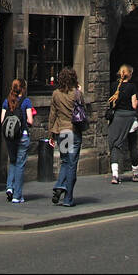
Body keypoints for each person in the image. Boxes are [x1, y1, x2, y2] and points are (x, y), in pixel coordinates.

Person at [49, 67, 84, 207]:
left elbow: (52, 115)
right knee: (72, 165)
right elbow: (83, 111)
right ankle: (68, 198)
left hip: (62, 132)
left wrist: (51, 134)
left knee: (65, 161)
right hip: (73, 131)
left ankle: (59, 185)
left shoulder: (56, 94)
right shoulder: (77, 94)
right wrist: (79, 92)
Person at [106, 64, 138, 183]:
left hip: (117, 118)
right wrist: (136, 102)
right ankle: (135, 173)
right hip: (130, 119)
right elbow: (134, 105)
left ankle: (115, 175)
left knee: (116, 145)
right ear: (129, 74)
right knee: (132, 145)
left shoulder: (113, 86)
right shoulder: (132, 87)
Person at [1, 78, 34, 203]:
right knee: (20, 164)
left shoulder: (7, 101)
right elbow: (30, 121)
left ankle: (10, 187)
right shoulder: (26, 102)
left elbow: (2, 120)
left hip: (10, 137)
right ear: (23, 88)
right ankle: (17, 195)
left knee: (13, 161)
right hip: (22, 136)